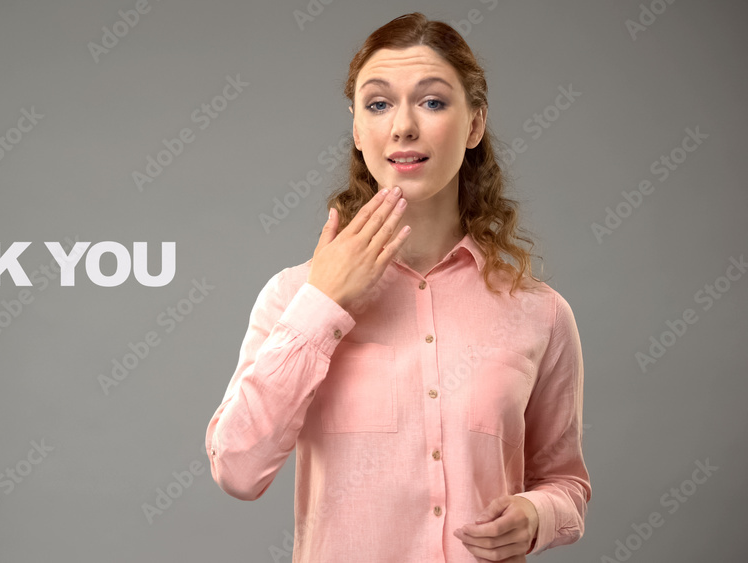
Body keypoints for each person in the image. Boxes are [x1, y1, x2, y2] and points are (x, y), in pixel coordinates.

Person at [204, 12, 591, 562]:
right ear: (358, 129)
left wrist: (537, 516)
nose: (403, 126)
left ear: (475, 124)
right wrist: (322, 306)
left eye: (432, 102)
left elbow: (566, 483)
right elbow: (236, 469)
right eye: (379, 104)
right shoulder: (293, 297)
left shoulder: (540, 313)